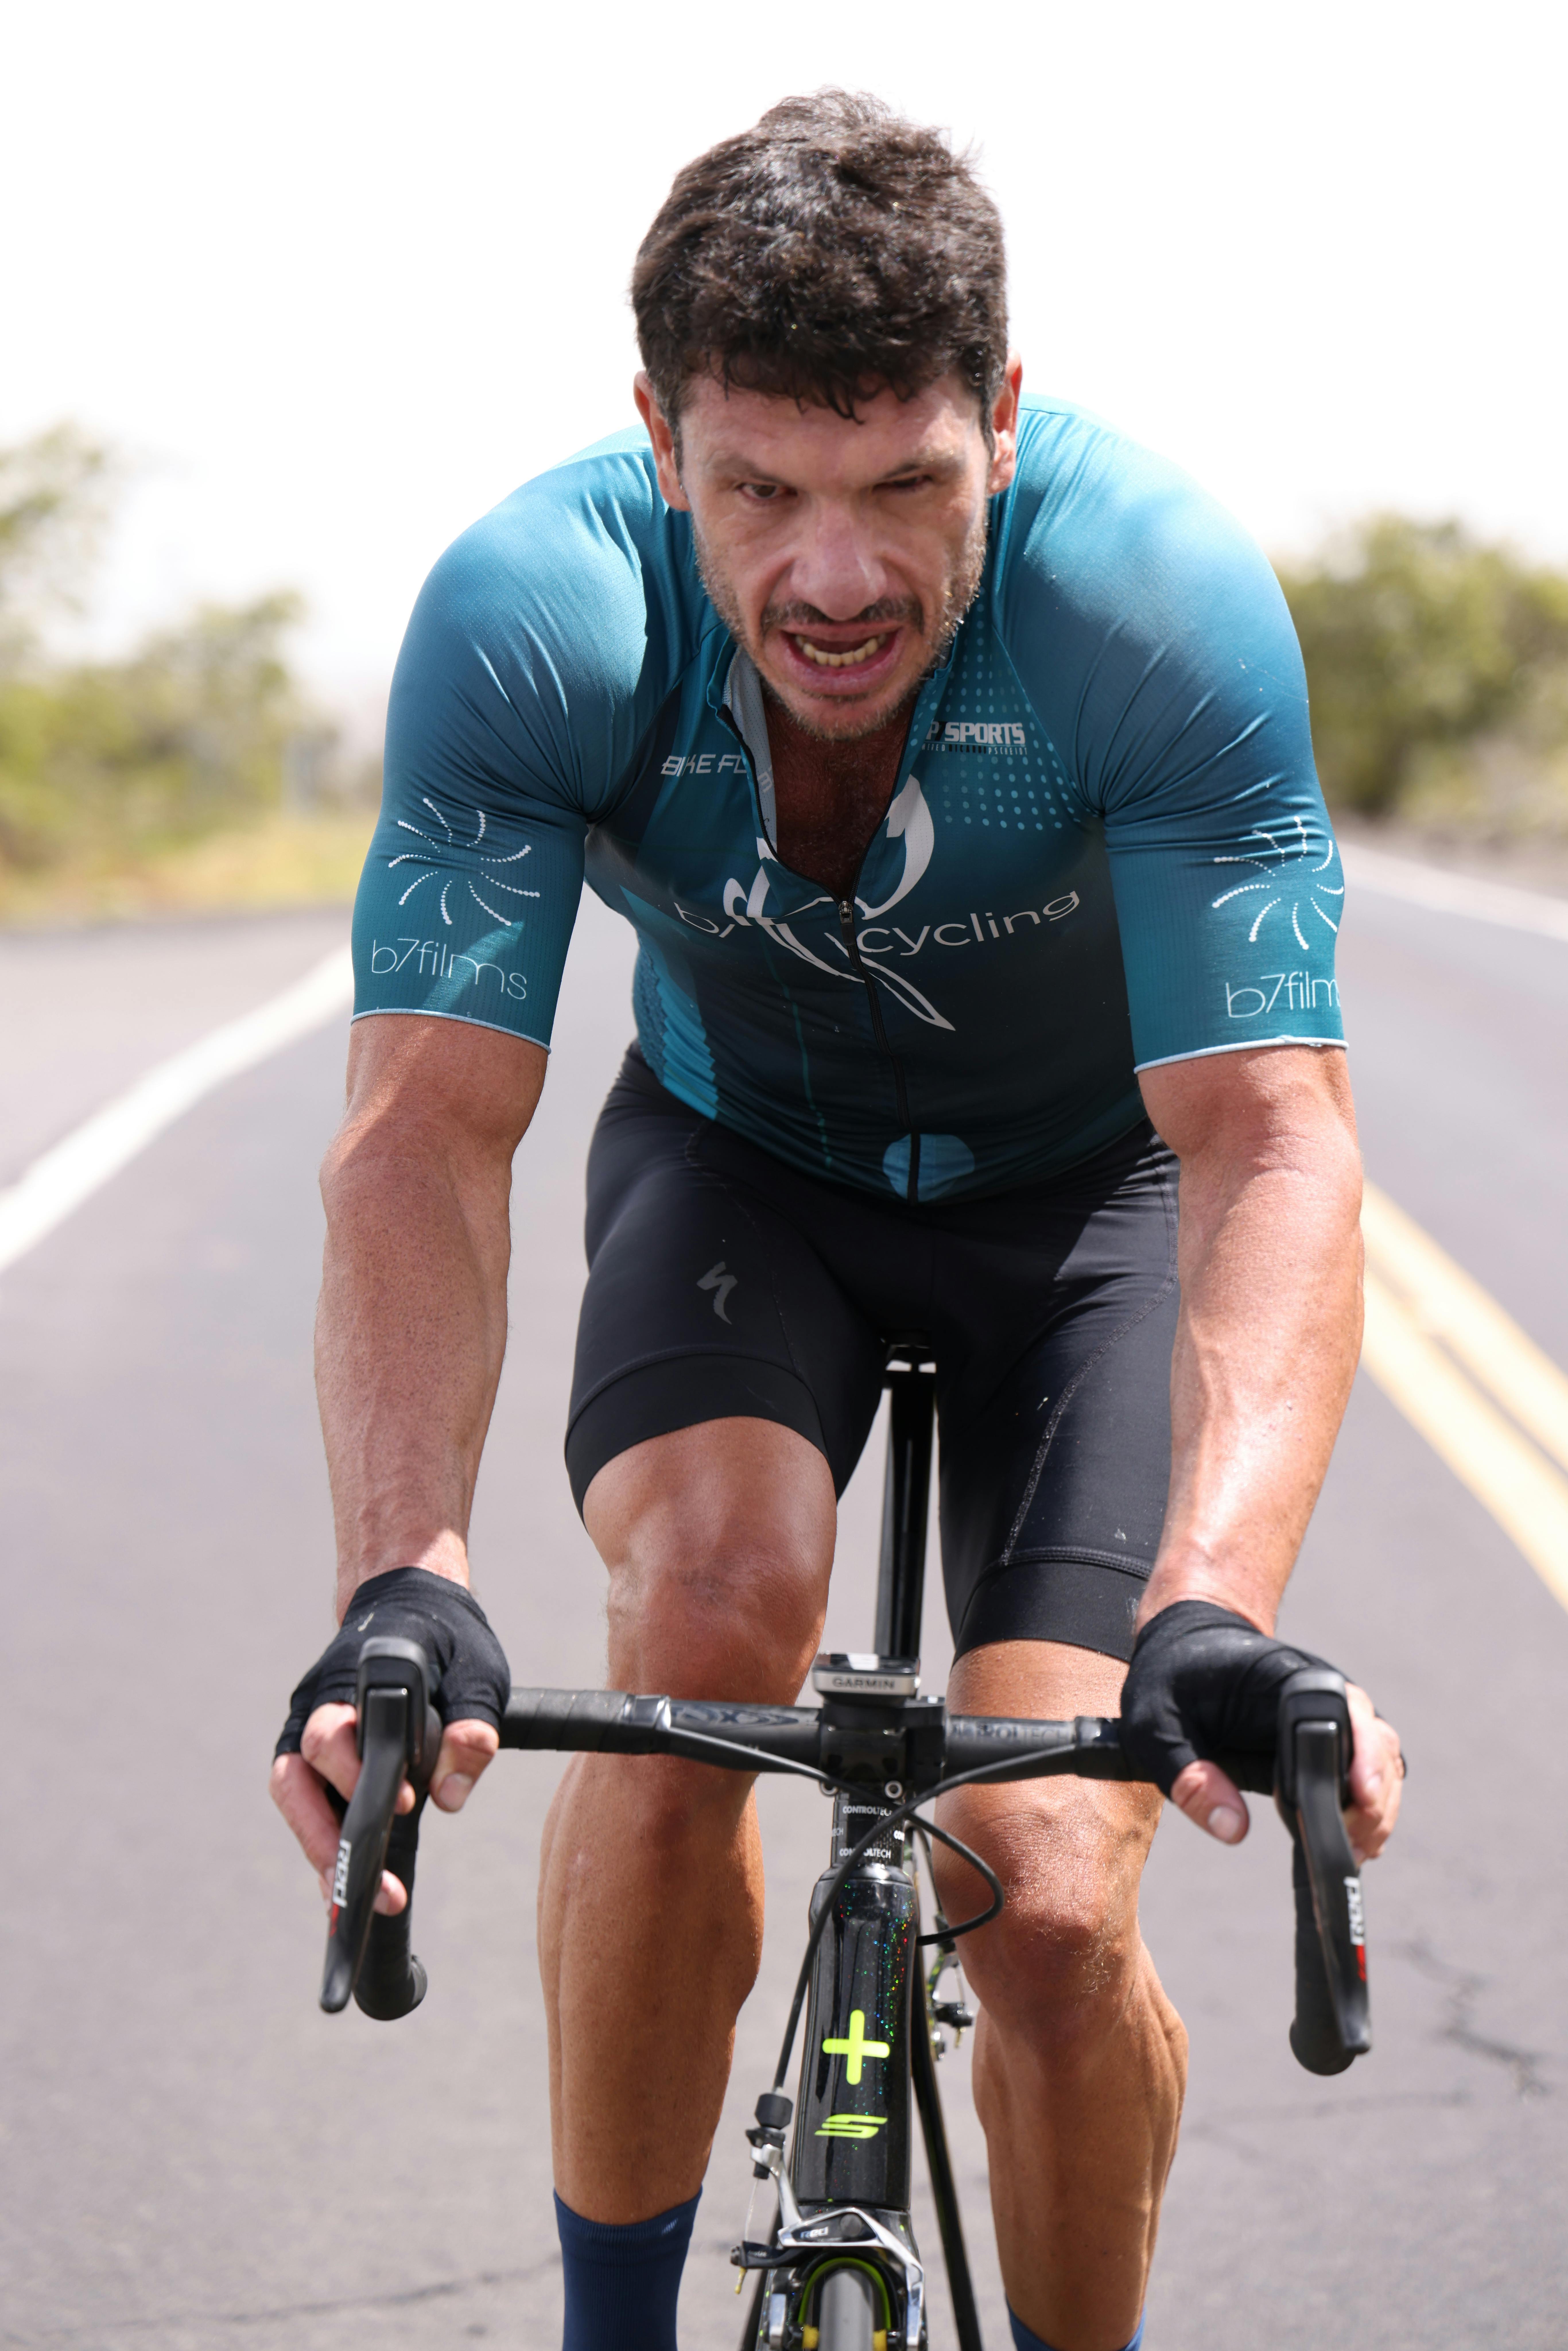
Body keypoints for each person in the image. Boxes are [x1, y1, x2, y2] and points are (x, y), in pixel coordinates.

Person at [271, 90, 1403, 2351]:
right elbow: (421, 1136)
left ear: (1002, 415)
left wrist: (1209, 1600)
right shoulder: (540, 611)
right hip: (744, 1170)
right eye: (757, 491)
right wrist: (404, 1571)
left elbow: (1270, 1139)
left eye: (903, 486)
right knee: (702, 1625)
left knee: (1053, 1893)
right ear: (657, 437)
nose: (833, 576)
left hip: (1093, 1201)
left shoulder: (1149, 604)